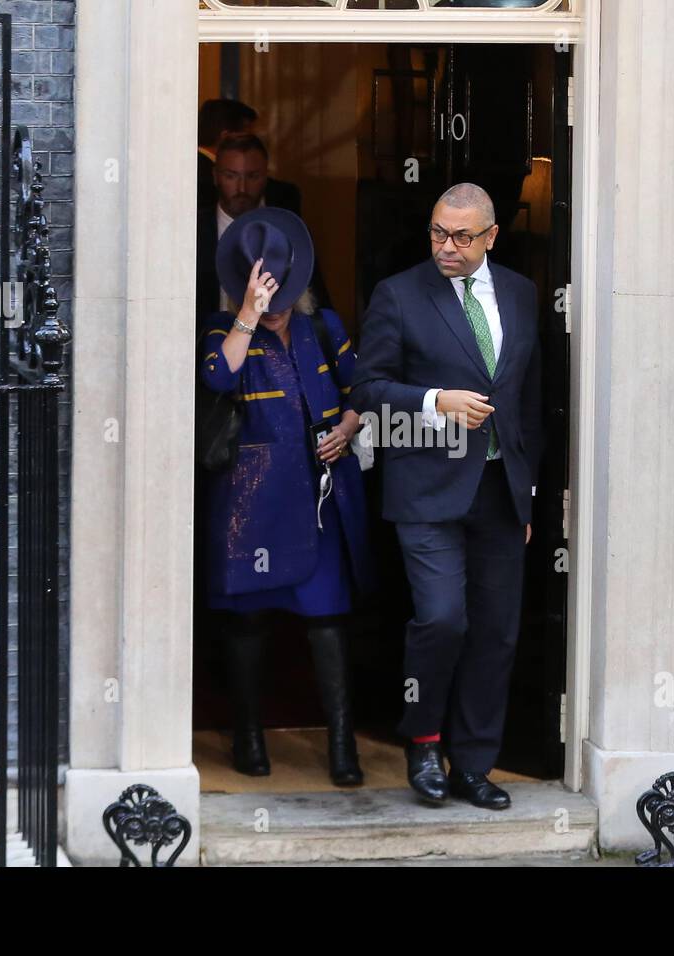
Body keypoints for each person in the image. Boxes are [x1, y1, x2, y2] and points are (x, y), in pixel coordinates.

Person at [350, 183, 543, 810]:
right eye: (438, 232)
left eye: (462, 236)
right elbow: (368, 389)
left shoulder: (519, 292)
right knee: (441, 619)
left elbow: (529, 402)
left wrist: (529, 492)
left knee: (496, 633)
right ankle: (423, 738)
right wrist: (436, 402)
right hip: (427, 489)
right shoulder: (399, 294)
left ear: (491, 236)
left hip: (500, 492)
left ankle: (475, 764)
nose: (447, 246)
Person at [200, 206, 374, 786]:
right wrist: (245, 313)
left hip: (320, 503)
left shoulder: (322, 325)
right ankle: (248, 736)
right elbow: (218, 379)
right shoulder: (221, 331)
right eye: (262, 288)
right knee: (247, 624)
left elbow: (361, 389)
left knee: (327, 620)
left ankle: (343, 746)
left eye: (279, 288)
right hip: (250, 508)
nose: (275, 300)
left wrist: (348, 428)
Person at [197, 131, 332, 321]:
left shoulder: (289, 232)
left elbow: (317, 303)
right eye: (231, 176)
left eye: (252, 176)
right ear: (215, 176)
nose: (241, 188)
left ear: (266, 176)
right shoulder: (194, 232)